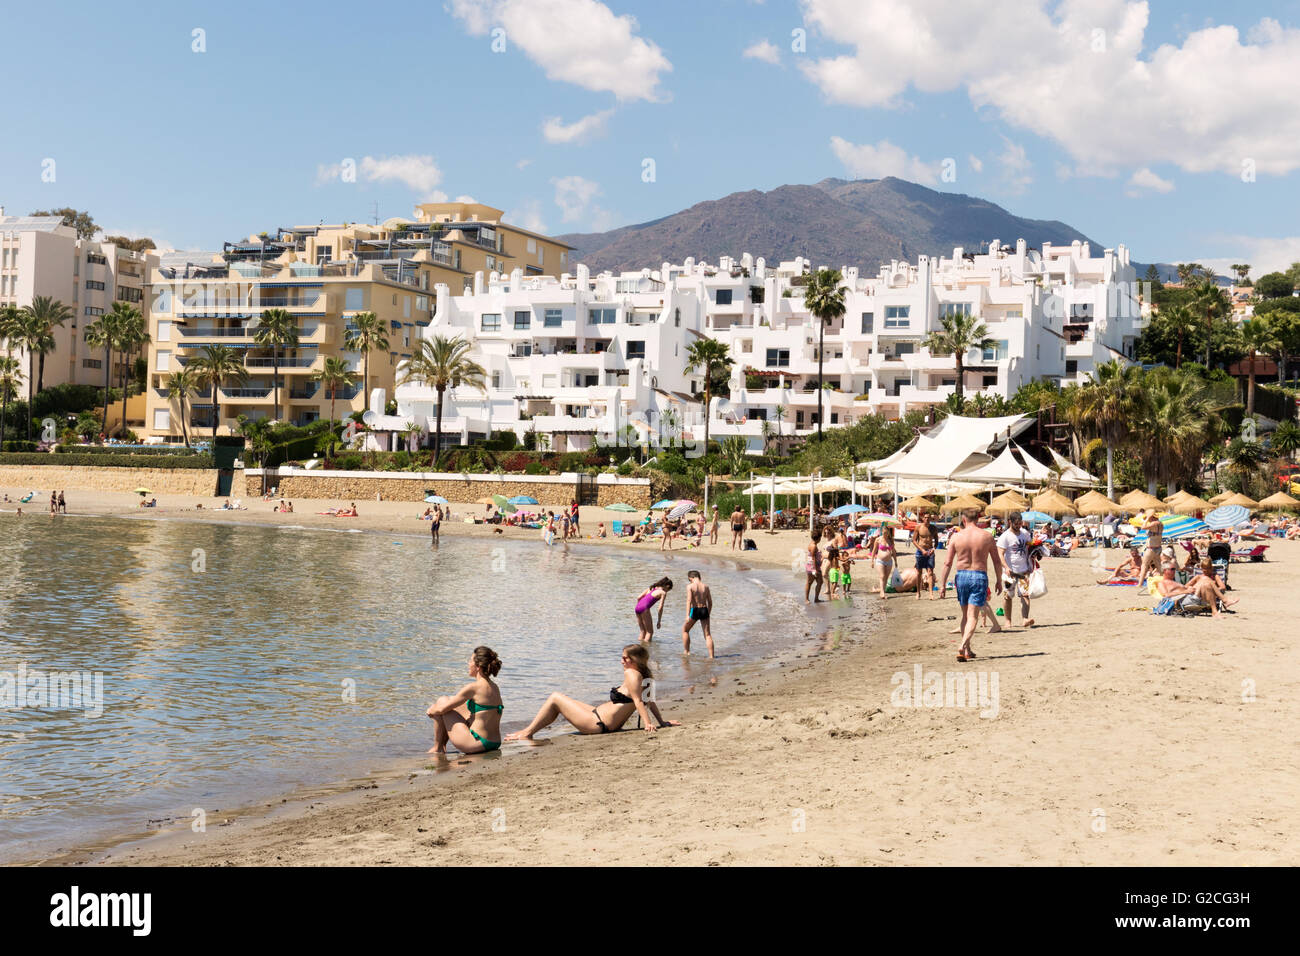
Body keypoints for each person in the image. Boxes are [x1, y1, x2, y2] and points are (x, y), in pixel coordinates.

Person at [505, 645, 678, 739]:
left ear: (635, 660)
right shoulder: (645, 675)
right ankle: (528, 731)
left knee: (555, 698)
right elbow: (650, 701)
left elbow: (639, 701)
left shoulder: (632, 674)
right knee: (561, 700)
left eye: (625, 658)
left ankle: (527, 733)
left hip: (597, 724)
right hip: (599, 718)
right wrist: (662, 722)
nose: (621, 661)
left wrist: (648, 724)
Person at [939, 508, 1005, 662]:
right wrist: (999, 581)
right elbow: (996, 561)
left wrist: (942, 585)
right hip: (978, 575)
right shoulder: (987, 536)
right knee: (972, 617)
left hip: (961, 576)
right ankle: (963, 646)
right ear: (978, 519)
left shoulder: (956, 537)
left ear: (963, 520)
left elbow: (947, 563)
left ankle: (967, 649)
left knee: (965, 616)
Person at [425, 646, 504, 754]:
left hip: (476, 743)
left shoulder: (473, 688)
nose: (468, 664)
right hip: (494, 742)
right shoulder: (494, 687)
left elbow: (442, 709)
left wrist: (431, 710)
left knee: (442, 701)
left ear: (478, 667)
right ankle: (440, 746)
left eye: (470, 661)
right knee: (450, 700)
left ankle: (438, 747)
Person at [997, 511, 1036, 627]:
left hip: (1024, 570)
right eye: (1016, 524)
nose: (1019, 526)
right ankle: (1008, 621)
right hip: (1010, 572)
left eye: (1020, 523)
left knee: (1025, 594)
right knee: (1008, 596)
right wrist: (1006, 567)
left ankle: (1025, 619)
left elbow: (1030, 546)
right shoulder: (1005, 536)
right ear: (1010, 522)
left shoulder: (1024, 533)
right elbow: (1000, 554)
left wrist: (1032, 560)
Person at [1155, 566, 1236, 617]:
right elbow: (1166, 595)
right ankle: (1224, 600)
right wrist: (1185, 592)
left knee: (1206, 583)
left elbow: (1186, 586)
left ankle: (1215, 611)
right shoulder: (1162, 583)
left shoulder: (1175, 582)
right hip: (1181, 599)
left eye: (1174, 569)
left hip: (1191, 596)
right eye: (1172, 569)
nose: (1174, 571)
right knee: (1205, 579)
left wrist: (1188, 588)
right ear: (1165, 571)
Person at [682, 570, 715, 658]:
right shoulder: (706, 587)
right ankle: (711, 656)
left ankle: (687, 652)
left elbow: (689, 601)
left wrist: (687, 615)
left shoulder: (690, 586)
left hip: (695, 610)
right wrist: (708, 613)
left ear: (691, 578)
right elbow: (710, 602)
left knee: (685, 630)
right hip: (704, 610)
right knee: (707, 635)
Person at [1137, 512, 1163, 584]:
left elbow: (1143, 527)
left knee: (1144, 565)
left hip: (1151, 548)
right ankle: (1165, 581)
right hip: (1158, 547)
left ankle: (1140, 583)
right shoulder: (1160, 523)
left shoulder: (1154, 523)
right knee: (1159, 566)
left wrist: (1147, 518)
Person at [870, 525, 897, 598]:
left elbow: (894, 551)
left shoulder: (890, 540)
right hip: (880, 561)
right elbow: (874, 551)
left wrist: (896, 561)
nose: (885, 534)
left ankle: (883, 591)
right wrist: (872, 561)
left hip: (889, 561)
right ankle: (882, 593)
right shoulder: (878, 540)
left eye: (887, 532)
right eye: (884, 532)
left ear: (888, 532)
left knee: (886, 577)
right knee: (882, 576)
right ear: (882, 532)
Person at [914, 521, 937, 601]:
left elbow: (936, 541)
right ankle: (918, 592)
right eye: (925, 517)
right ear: (923, 518)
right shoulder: (918, 527)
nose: (927, 519)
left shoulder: (933, 528)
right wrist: (921, 549)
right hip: (920, 551)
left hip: (930, 551)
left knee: (930, 572)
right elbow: (914, 540)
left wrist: (934, 548)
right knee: (919, 572)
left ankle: (931, 593)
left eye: (929, 517)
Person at [804, 528, 824, 603]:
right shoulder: (813, 546)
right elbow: (813, 558)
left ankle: (816, 598)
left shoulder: (813, 544)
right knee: (809, 582)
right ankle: (807, 599)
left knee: (820, 582)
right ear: (818, 538)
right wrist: (815, 569)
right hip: (812, 567)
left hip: (814, 566)